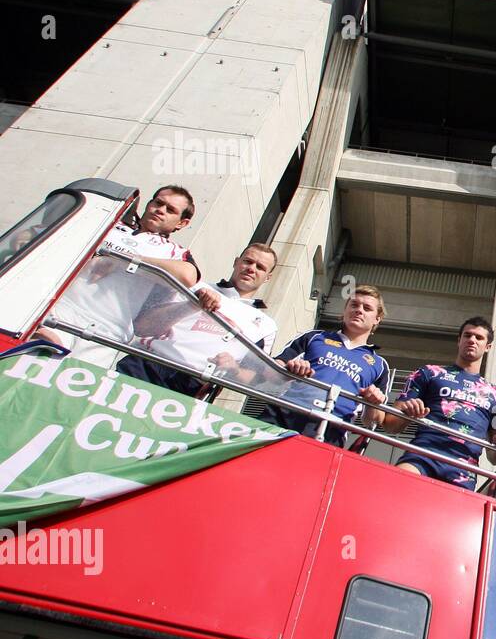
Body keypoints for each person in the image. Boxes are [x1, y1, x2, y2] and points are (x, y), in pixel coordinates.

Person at [43, 185, 201, 366]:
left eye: (171, 210)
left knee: (65, 389)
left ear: (182, 223)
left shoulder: (173, 252)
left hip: (109, 332)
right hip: (63, 311)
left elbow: (187, 276)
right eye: (158, 203)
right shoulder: (110, 225)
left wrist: (122, 260)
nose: (161, 210)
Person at [116, 243, 279, 396]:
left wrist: (234, 369)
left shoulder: (266, 325)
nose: (251, 269)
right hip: (148, 363)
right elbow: (142, 327)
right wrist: (191, 304)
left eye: (260, 267)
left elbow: (255, 378)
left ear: (268, 277)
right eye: (248, 262)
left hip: (192, 385)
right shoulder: (194, 286)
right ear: (236, 262)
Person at [378, 316, 496, 489]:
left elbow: (494, 458)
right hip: (421, 457)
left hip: (463, 472)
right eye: (467, 335)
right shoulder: (428, 373)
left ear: (488, 347)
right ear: (459, 340)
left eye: (479, 337)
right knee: (394, 491)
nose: (472, 340)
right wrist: (408, 414)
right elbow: (390, 425)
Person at [264, 286, 390, 447]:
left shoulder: (380, 365)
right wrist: (289, 369)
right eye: (354, 305)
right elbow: (269, 372)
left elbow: (372, 420)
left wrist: (374, 402)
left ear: (377, 319)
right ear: (344, 311)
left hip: (333, 431)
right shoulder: (314, 337)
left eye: (367, 308)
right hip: (282, 416)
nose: (359, 310)